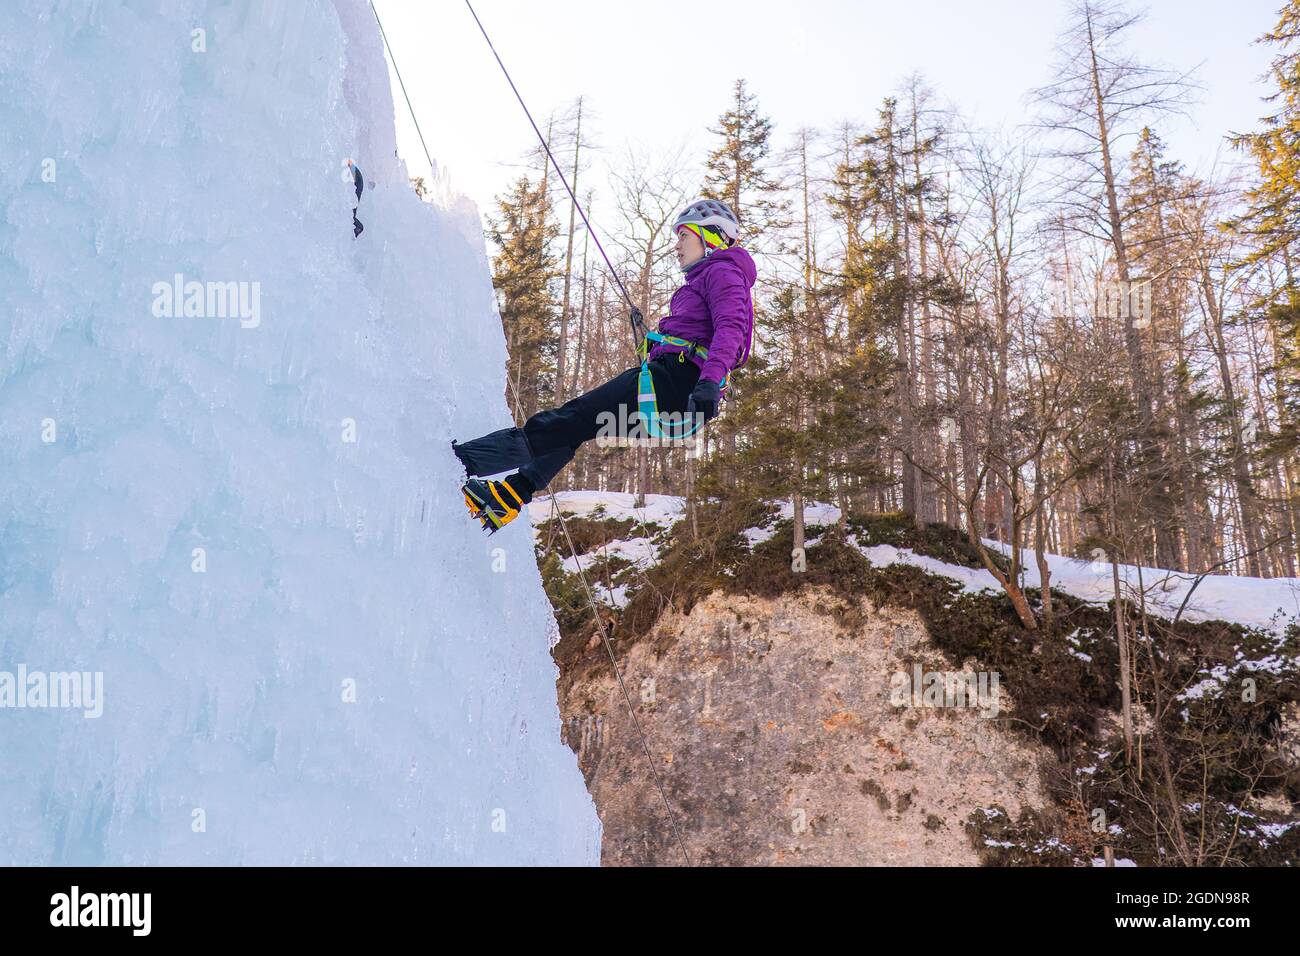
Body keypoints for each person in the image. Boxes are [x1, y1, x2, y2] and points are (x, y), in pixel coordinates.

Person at [454, 198, 756, 532]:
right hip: (676, 391)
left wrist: (709, 382)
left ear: (711, 237)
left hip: (677, 384)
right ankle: (507, 497)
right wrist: (655, 343)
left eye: (683, 236)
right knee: (577, 427)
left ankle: (461, 463)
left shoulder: (723, 271)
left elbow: (731, 328)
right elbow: (700, 335)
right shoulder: (708, 277)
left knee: (570, 418)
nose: (676, 246)